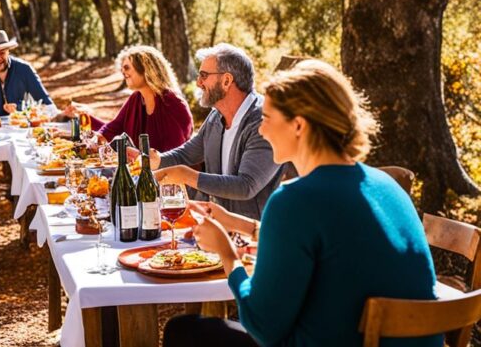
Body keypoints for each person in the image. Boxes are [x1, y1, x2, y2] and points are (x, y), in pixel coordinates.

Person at [164, 60, 440, 347]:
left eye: (267, 119)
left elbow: (262, 326)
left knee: (183, 331)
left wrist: (226, 253)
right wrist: (237, 224)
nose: (262, 131)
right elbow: (330, 247)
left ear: (298, 125)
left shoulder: (294, 200)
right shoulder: (388, 187)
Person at [146, 43, 288, 219]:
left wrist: (187, 176)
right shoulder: (216, 117)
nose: (198, 83)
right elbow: (186, 154)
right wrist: (154, 160)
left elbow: (246, 186)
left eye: (204, 76)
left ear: (227, 81)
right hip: (218, 226)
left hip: (253, 234)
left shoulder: (264, 122)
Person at [64, 44, 192, 151]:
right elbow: (114, 128)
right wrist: (85, 121)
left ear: (146, 69)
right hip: (140, 171)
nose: (123, 72)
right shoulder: (136, 98)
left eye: (127, 67)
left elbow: (175, 153)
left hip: (168, 176)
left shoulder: (173, 104)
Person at [0, 30, 52, 116]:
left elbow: (47, 104)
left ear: (8, 51)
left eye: (2, 52)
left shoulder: (24, 69)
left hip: (23, 127)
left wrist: (19, 108)